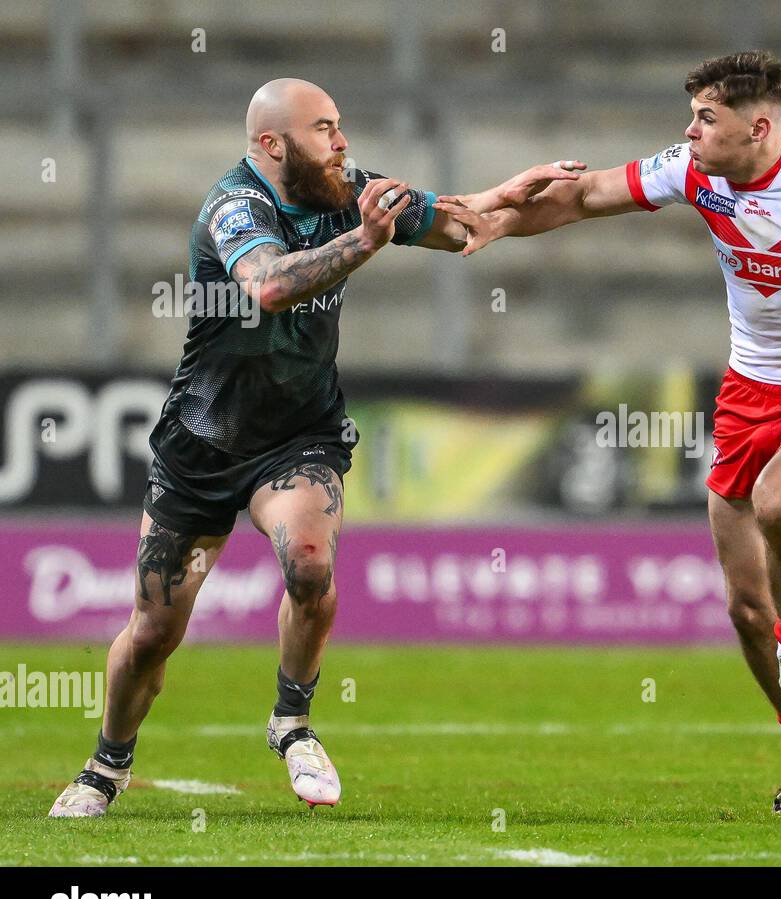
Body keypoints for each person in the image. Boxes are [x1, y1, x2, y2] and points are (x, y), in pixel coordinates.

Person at [439, 52, 781, 812]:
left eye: (705, 119)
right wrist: (495, 217)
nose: (688, 132)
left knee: (780, 503)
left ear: (759, 126)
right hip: (747, 396)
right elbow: (587, 196)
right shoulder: (697, 171)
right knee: (746, 609)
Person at [49, 78, 580, 817]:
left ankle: (291, 721)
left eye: (340, 126)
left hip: (300, 435)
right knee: (153, 632)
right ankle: (106, 766)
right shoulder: (234, 207)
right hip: (203, 442)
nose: (342, 141)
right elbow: (268, 287)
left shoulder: (347, 191)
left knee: (309, 557)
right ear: (272, 144)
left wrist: (504, 196)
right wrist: (365, 239)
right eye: (324, 128)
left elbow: (457, 225)